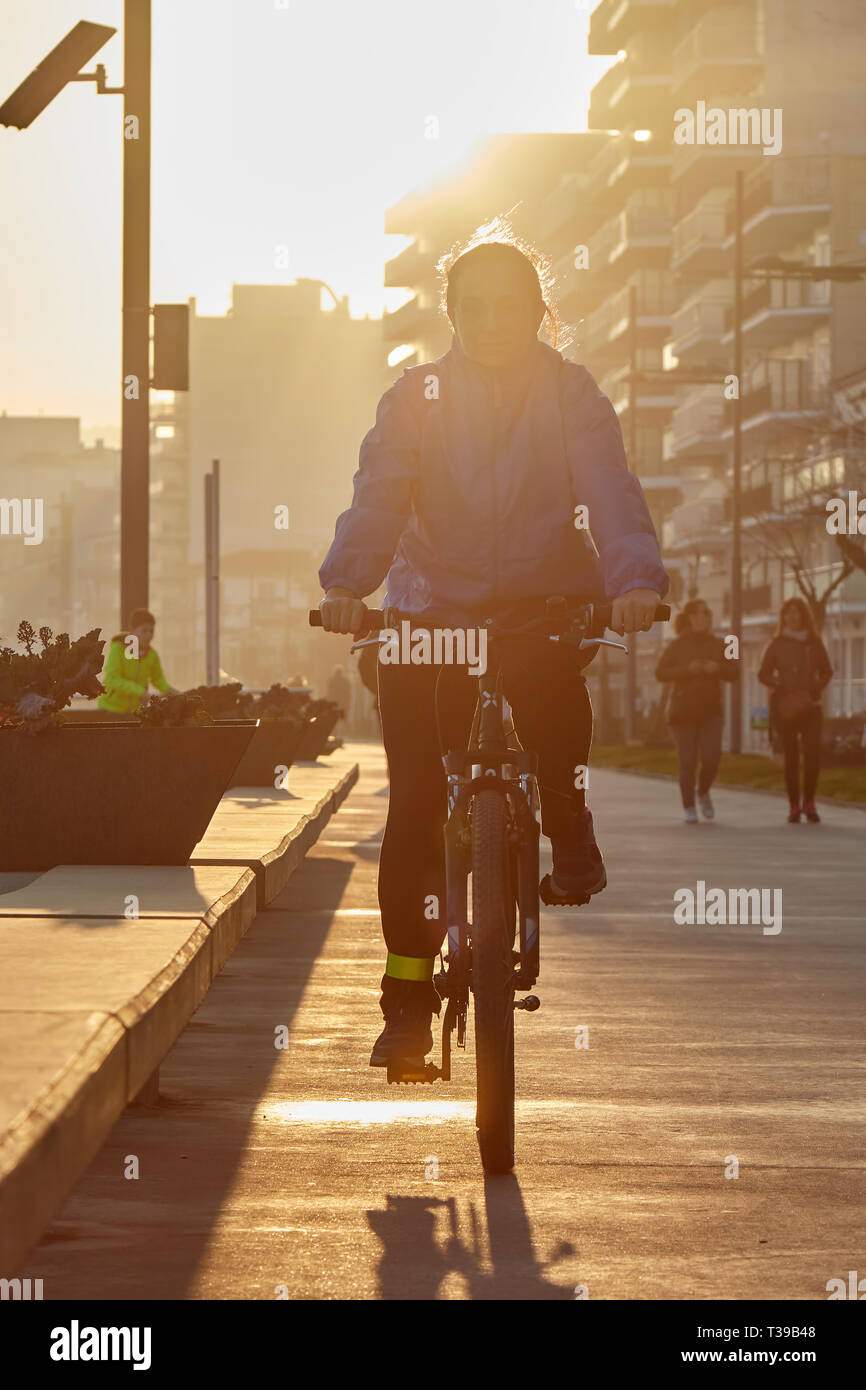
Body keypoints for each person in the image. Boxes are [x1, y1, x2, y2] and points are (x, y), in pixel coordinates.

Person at [317, 225, 668, 1069]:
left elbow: (609, 492)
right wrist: (348, 584)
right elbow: (381, 493)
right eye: (471, 308)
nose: (489, 321)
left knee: (550, 692)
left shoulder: (570, 393)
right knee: (413, 810)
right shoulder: (417, 396)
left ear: (539, 312)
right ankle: (404, 1003)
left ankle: (569, 825)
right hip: (431, 607)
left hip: (541, 599)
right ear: (452, 315)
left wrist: (632, 584)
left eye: (508, 306)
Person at [655, 599, 739, 823]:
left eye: (709, 613)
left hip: (711, 711)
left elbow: (735, 671)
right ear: (692, 617)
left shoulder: (721, 644)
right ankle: (688, 806)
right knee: (688, 761)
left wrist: (718, 668)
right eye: (704, 613)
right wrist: (687, 670)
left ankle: (702, 791)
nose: (708, 617)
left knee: (712, 759)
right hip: (682, 712)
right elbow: (660, 672)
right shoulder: (677, 645)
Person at [758, 597, 832, 823]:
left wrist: (814, 688)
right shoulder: (776, 644)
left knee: (812, 755)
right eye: (788, 613)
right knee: (791, 757)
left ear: (804, 615)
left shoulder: (814, 643)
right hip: (786, 708)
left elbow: (827, 671)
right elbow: (763, 673)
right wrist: (778, 685)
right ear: (784, 617)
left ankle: (809, 803)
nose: (793, 616)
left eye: (797, 612)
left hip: (811, 706)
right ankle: (793, 806)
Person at [97, 608, 175, 714]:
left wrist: (169, 691)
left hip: (135, 712)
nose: (149, 635)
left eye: (151, 631)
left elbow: (157, 679)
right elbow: (113, 679)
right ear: (132, 630)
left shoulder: (152, 655)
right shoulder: (118, 649)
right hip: (110, 709)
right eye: (144, 630)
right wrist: (139, 691)